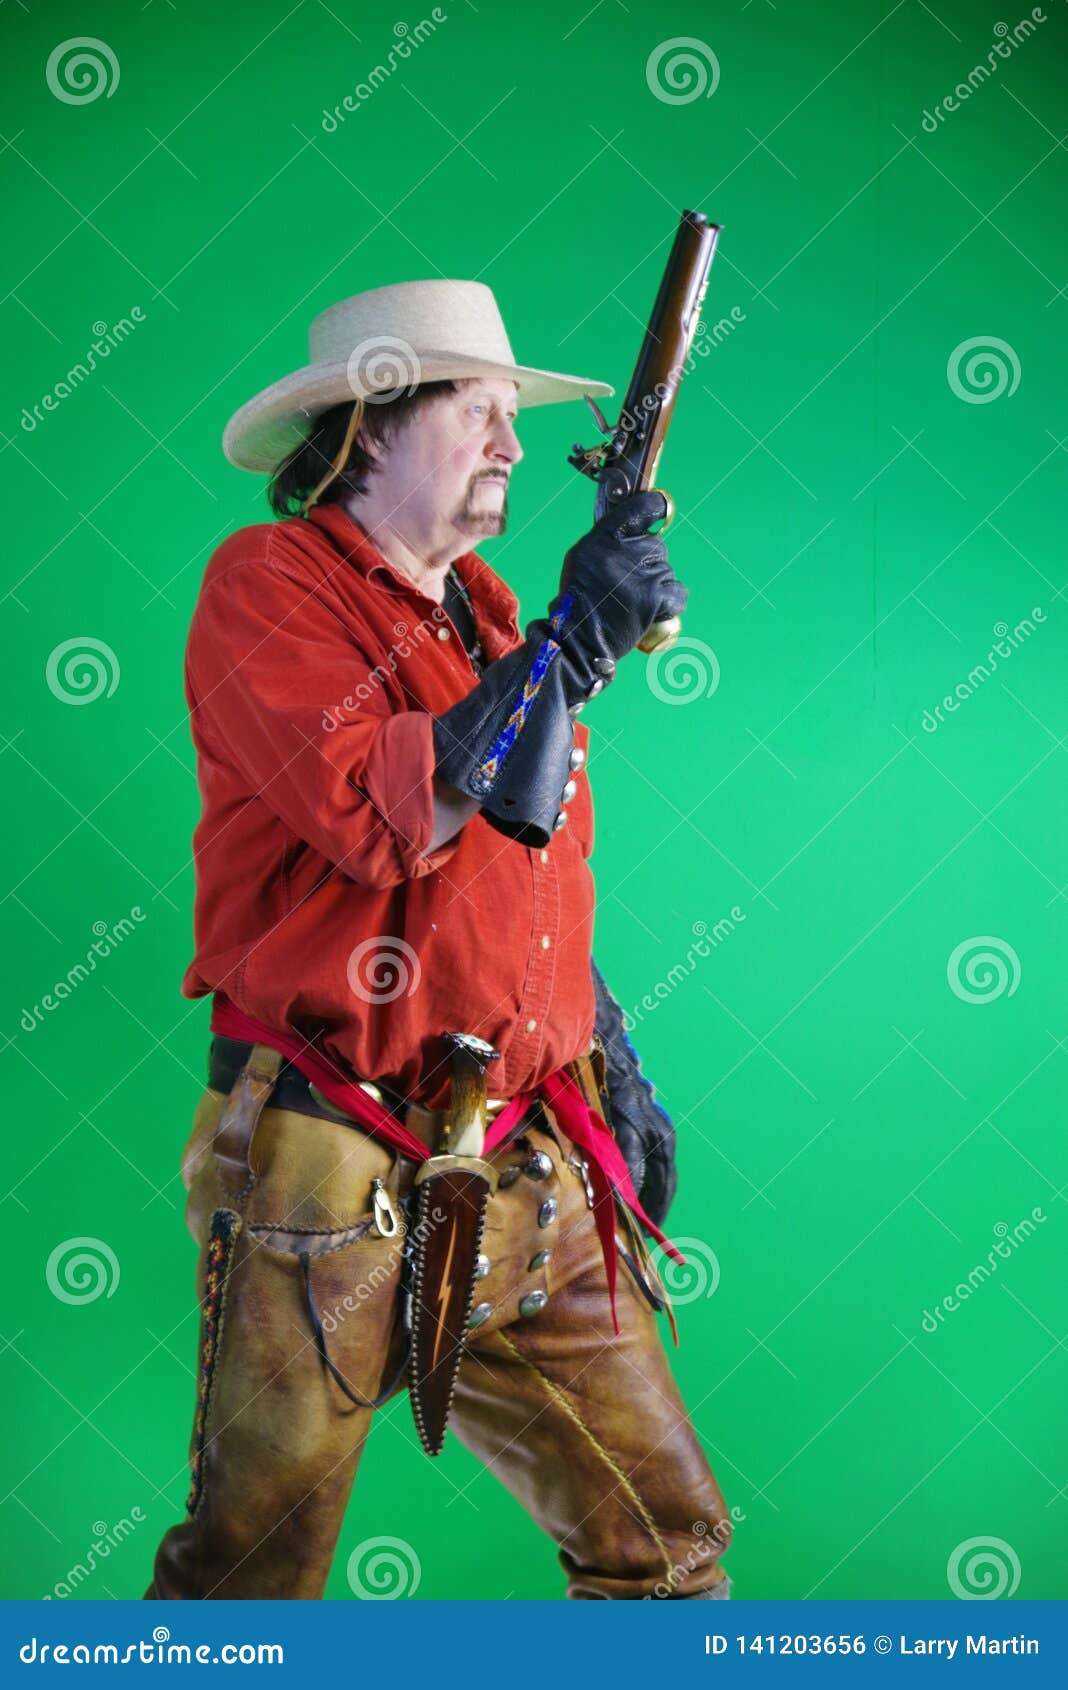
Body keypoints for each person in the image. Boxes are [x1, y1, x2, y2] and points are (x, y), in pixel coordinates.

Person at [145, 279, 733, 1600]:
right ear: (369, 428)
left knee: (667, 1546)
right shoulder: (269, 586)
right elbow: (378, 815)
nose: (514, 444)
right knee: (251, 1577)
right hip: (325, 1158)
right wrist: (567, 656)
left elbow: (509, 873)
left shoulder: (485, 607)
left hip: (521, 1148)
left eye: (514, 416)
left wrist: (599, 1044)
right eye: (479, 411)